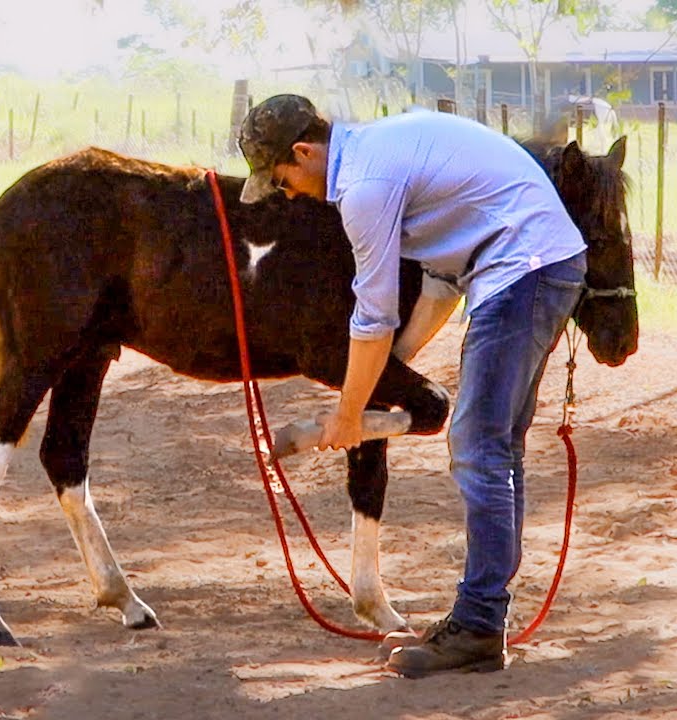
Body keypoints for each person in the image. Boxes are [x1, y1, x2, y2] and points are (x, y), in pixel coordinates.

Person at [238, 94, 587, 679]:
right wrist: (383, 378)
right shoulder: (380, 150)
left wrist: (349, 414)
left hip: (521, 267)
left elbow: (373, 315)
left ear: (303, 152)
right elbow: (441, 282)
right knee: (496, 448)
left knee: (477, 448)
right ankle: (482, 616)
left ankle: (479, 626)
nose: (288, 193)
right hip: (537, 262)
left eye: (281, 178)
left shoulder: (364, 187)